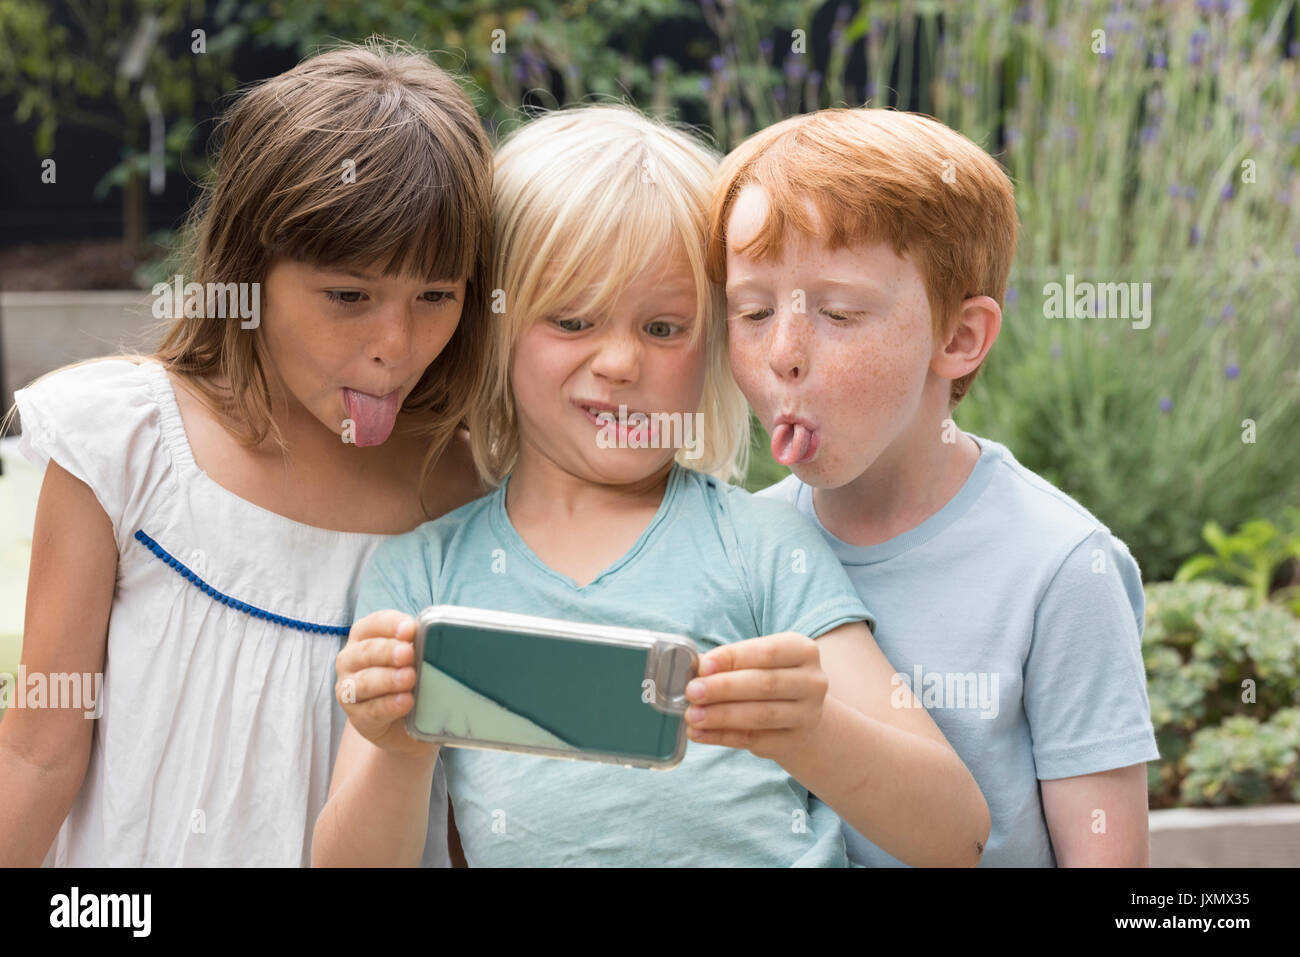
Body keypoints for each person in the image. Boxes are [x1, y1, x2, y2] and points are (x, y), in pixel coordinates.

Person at [313, 105, 990, 868]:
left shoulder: (763, 545)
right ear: (495, 331)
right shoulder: (422, 578)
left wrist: (813, 730)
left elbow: (955, 835)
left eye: (664, 328)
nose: (619, 362)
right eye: (571, 320)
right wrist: (396, 745)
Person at [0, 40, 492, 866]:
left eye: (436, 297)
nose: (396, 344)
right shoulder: (126, 443)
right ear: (248, 268)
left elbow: (464, 812)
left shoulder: (468, 495)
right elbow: (37, 752)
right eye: (348, 295)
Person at [709, 107, 1159, 866]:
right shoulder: (741, 546)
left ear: (958, 338)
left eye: (839, 311)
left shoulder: (1061, 566)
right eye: (752, 311)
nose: (783, 352)